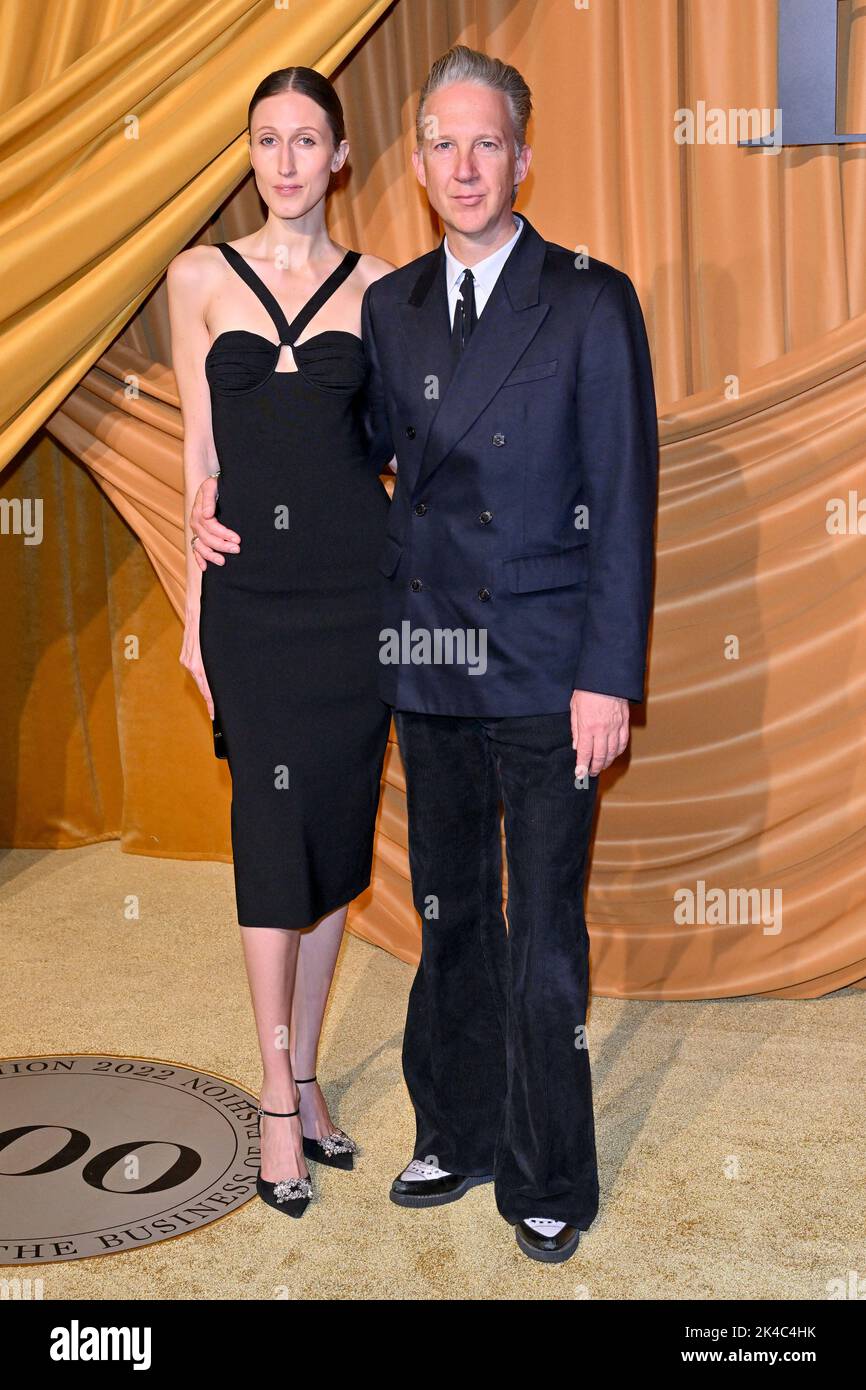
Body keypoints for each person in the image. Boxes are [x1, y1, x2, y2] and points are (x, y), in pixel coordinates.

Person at [361, 45, 659, 1263]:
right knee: (448, 915)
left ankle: (547, 1171)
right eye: (442, 143)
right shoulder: (387, 308)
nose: (464, 165)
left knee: (540, 930)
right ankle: (458, 1125)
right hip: (428, 661)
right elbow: (359, 465)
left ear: (524, 156)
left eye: (487, 142)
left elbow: (624, 498)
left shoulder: (590, 297)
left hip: (547, 669)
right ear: (420, 162)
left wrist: (609, 674)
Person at [168, 67, 396, 1218]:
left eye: (309, 140)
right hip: (249, 602)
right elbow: (196, 467)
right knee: (268, 841)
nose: (289, 160)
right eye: (268, 139)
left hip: (356, 599)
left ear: (341, 156)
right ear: (248, 154)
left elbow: (406, 458)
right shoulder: (197, 276)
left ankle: (307, 1074)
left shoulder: (388, 291)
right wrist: (192, 610)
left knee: (331, 855)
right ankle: (269, 1093)